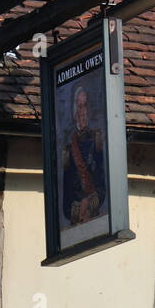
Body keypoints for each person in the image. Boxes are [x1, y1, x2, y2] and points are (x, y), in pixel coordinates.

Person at [61, 83, 106, 227]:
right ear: (75, 111)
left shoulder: (97, 141)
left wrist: (89, 203)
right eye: (79, 106)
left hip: (94, 216)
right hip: (77, 222)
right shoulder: (68, 150)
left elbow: (102, 185)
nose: (82, 112)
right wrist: (78, 209)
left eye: (85, 106)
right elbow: (66, 198)